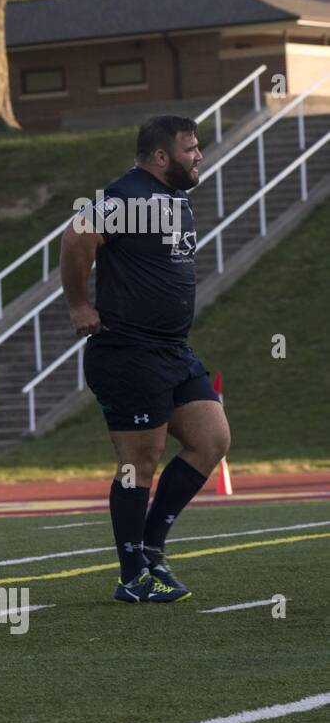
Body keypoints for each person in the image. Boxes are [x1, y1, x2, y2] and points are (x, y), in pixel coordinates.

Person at [60, 114, 229, 604]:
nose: (198, 155)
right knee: (139, 461)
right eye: (190, 148)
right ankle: (133, 574)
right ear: (161, 156)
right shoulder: (129, 196)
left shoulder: (175, 198)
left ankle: (151, 547)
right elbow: (76, 236)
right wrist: (78, 304)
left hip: (172, 351)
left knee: (211, 439)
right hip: (128, 351)